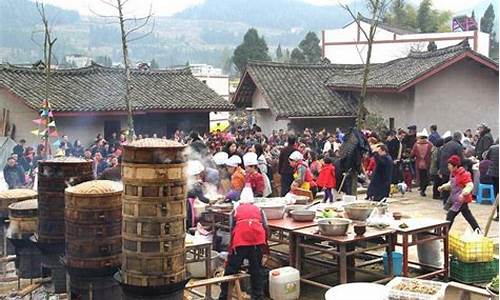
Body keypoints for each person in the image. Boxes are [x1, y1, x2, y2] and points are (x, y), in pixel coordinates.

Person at [218, 191, 268, 300]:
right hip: (257, 239)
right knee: (256, 269)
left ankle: (224, 296)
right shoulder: (259, 209)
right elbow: (266, 226)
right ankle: (258, 296)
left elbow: (232, 228)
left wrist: (231, 248)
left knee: (231, 268)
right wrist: (265, 247)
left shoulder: (236, 209)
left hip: (240, 240)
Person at [439, 155, 480, 231]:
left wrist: (463, 193)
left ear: (455, 166)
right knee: (468, 216)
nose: (448, 167)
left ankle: (444, 234)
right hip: (455, 199)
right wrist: (443, 187)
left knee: (450, 216)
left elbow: (470, 185)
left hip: (461, 200)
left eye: (449, 165)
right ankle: (478, 230)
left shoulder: (463, 174)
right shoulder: (453, 173)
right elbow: (451, 183)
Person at [438, 132, 464, 206]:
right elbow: (461, 159)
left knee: (445, 184)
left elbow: (440, 157)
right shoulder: (458, 146)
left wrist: (440, 168)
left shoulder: (446, 144)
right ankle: (451, 203)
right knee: (453, 186)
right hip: (452, 169)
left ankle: (445, 201)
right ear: (460, 138)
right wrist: (470, 161)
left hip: (444, 167)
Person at [186, 160, 210, 229]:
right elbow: (202, 199)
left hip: (185, 203)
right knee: (190, 220)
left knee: (186, 219)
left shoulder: (189, 182)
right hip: (189, 204)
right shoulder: (196, 185)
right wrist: (210, 201)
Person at [411, 129, 433, 197]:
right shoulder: (430, 145)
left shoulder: (416, 145)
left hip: (419, 164)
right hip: (427, 164)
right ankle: (423, 189)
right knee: (426, 177)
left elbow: (412, 154)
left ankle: (421, 188)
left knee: (420, 177)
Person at [485, 142, 499, 221]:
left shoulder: (493, 147)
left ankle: (498, 214)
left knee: (497, 193)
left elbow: (486, 157)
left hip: (494, 173)